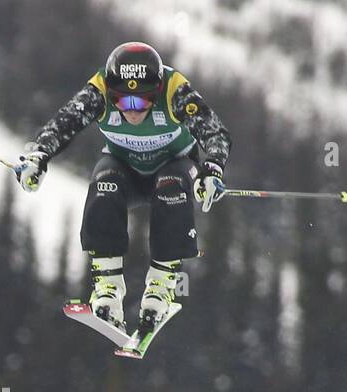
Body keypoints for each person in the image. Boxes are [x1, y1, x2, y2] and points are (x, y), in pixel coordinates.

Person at [19, 41, 231, 336]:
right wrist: (40, 154)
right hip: (125, 168)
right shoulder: (100, 88)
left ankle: (161, 286)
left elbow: (213, 130)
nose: (132, 110)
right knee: (103, 184)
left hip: (175, 165)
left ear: (155, 93)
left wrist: (213, 168)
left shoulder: (173, 89)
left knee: (170, 188)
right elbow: (66, 121)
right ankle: (107, 287)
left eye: (141, 102)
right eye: (123, 102)